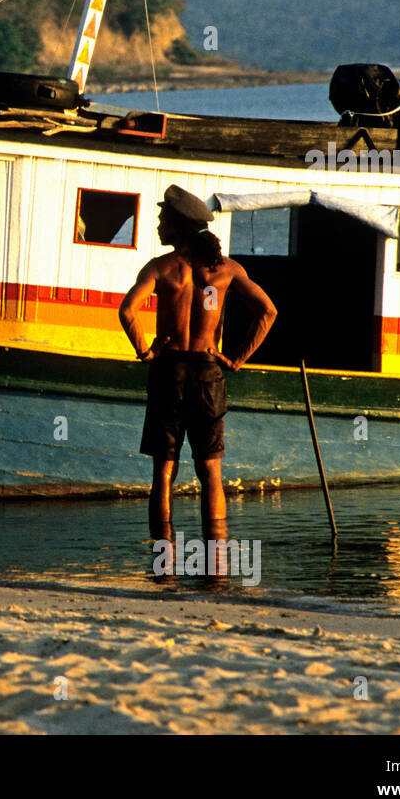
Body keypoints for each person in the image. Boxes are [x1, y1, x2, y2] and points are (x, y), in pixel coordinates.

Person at [119, 184, 277, 545]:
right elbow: (268, 311)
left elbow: (128, 310)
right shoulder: (225, 271)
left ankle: (164, 564)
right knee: (211, 471)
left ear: (178, 226)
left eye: (162, 220)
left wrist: (145, 351)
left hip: (169, 372)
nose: (158, 226)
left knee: (164, 471)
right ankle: (216, 566)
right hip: (208, 373)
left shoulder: (161, 268)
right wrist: (237, 358)